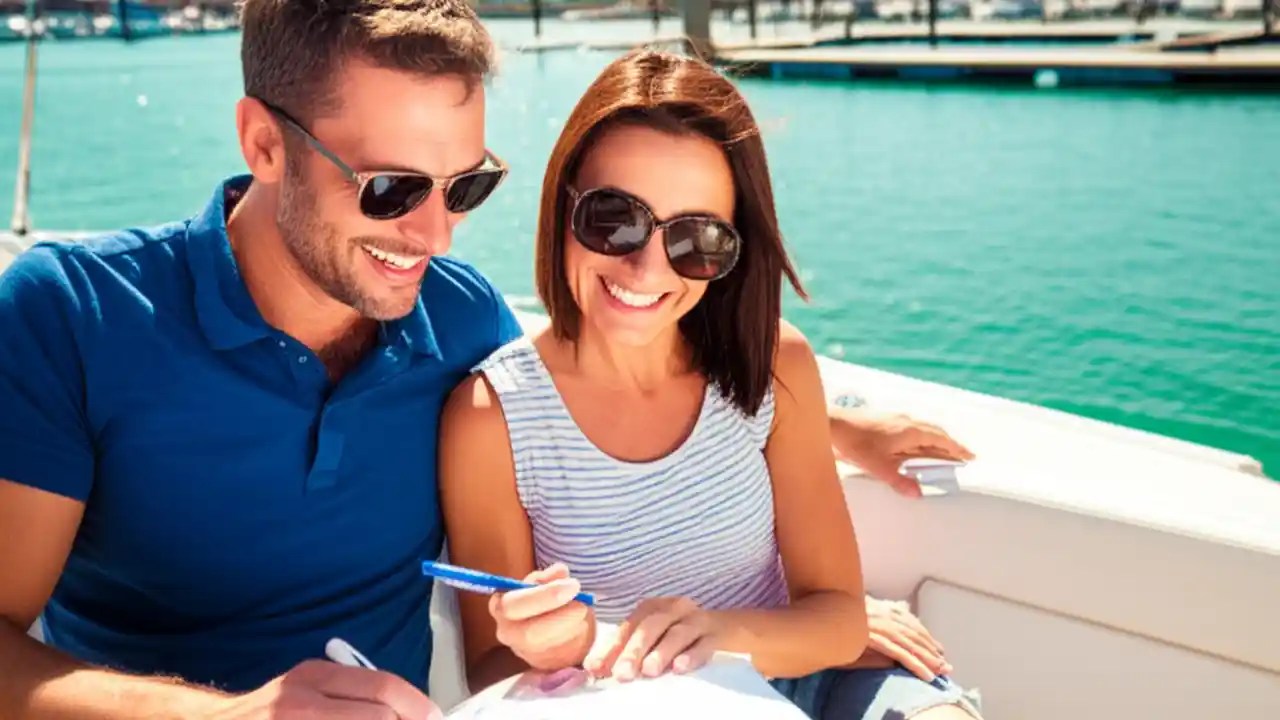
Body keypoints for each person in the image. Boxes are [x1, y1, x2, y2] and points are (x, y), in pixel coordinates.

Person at [0, 2, 971, 718]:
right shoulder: (70, 316)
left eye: (465, 185)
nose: (437, 234)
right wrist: (233, 716)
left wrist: (835, 427)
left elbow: (603, 372)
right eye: (391, 188)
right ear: (263, 141)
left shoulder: (451, 321)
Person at [437, 48, 983, 720]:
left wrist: (721, 634)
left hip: (800, 679)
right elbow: (493, 670)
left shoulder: (774, 368)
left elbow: (839, 621)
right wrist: (568, 644)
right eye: (614, 218)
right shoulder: (491, 418)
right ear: (563, 206)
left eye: (696, 239)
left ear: (734, 251)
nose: (645, 267)